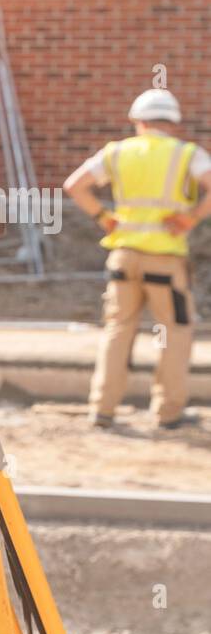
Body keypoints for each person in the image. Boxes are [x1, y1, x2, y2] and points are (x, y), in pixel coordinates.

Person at [64, 89, 210, 429]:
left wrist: (104, 217)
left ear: (138, 122)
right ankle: (168, 412)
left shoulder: (117, 152)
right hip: (166, 260)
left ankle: (102, 409)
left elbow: (75, 185)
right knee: (173, 332)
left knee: (118, 330)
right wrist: (191, 218)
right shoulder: (186, 154)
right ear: (173, 123)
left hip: (124, 257)